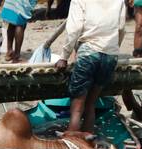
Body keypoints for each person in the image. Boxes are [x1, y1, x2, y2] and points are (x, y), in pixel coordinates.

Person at [54, 0, 127, 135]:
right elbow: (121, 28)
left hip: (88, 52)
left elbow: (74, 29)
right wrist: (113, 48)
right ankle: (88, 142)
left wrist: (64, 56)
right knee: (91, 103)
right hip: (110, 54)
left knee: (77, 106)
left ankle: (72, 144)